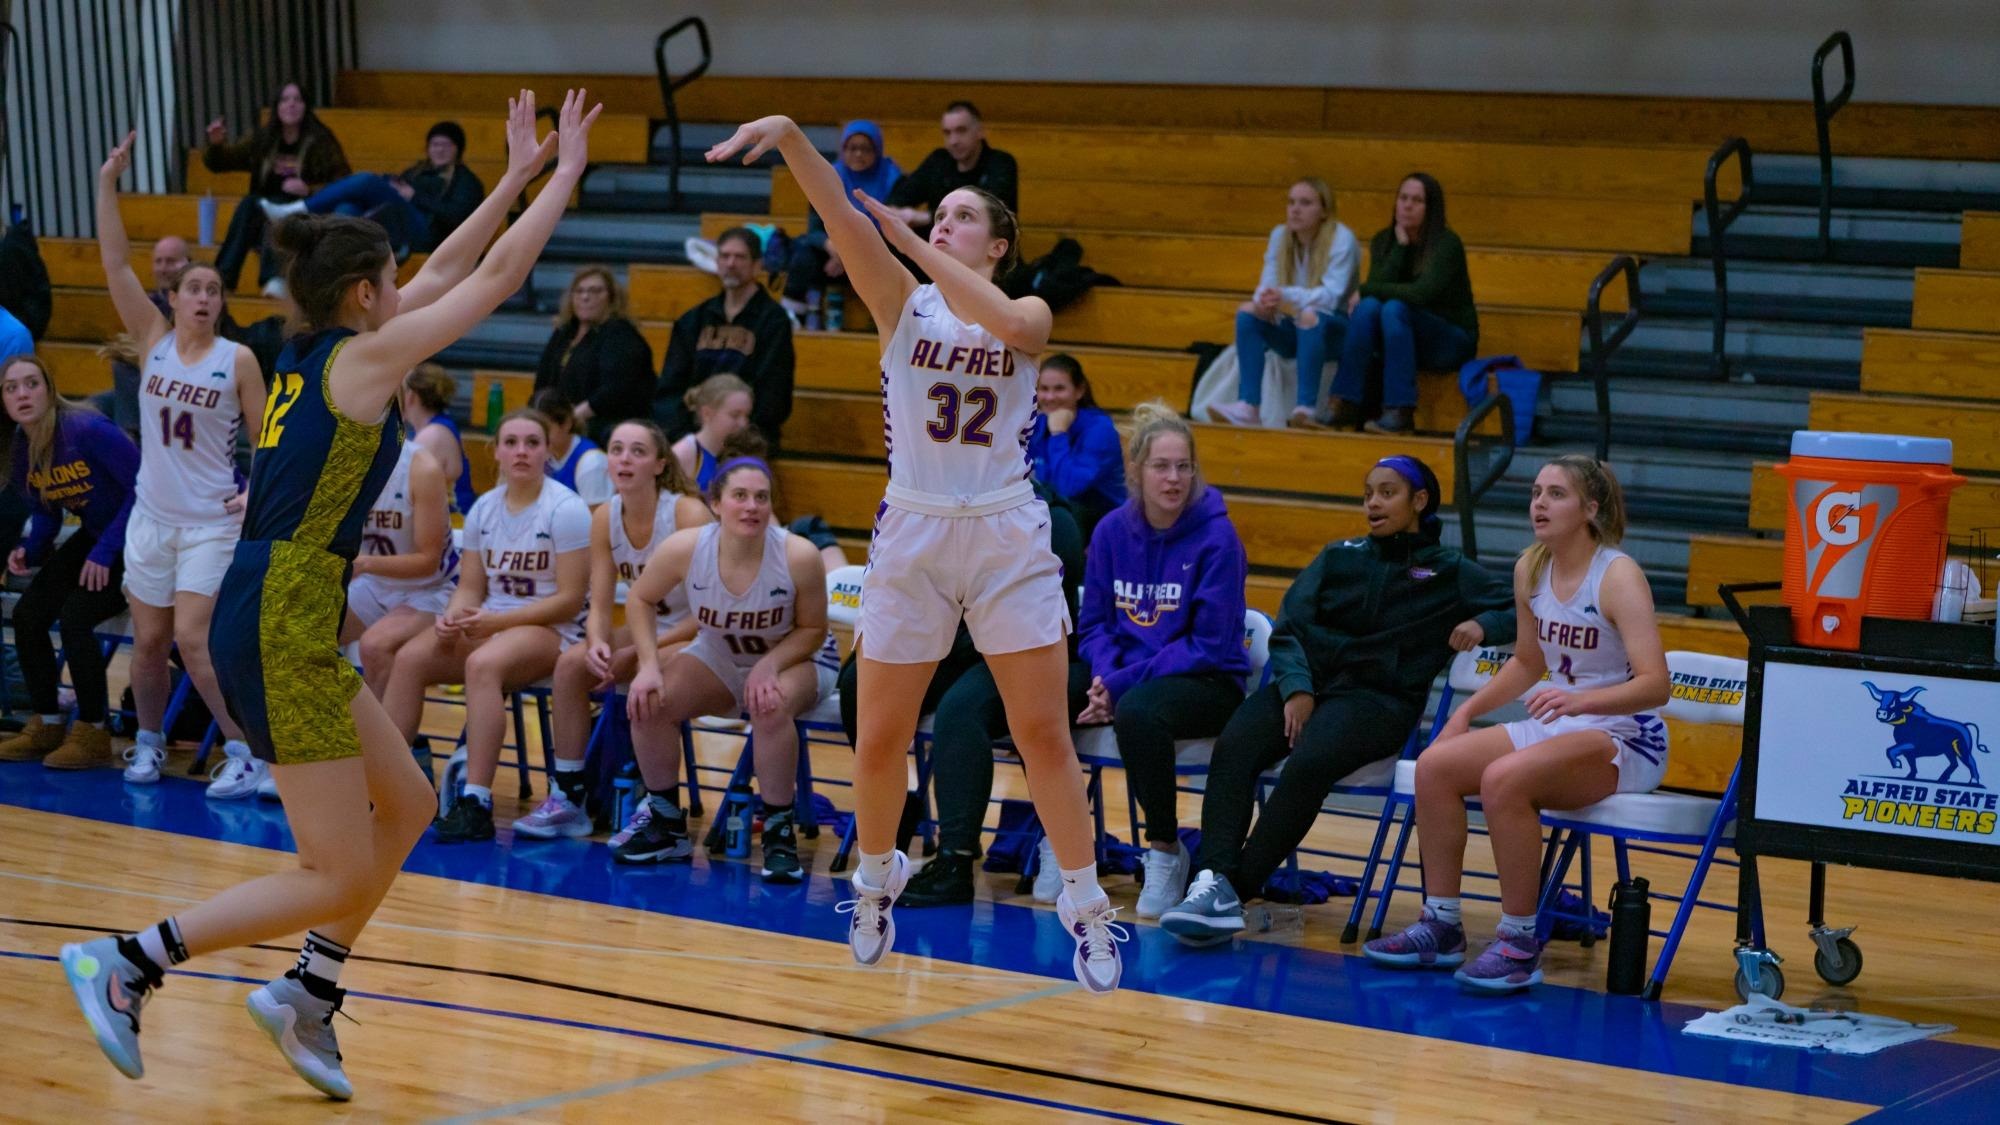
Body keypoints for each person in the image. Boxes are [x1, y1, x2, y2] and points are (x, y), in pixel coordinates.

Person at [60, 89, 600, 1096]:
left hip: (284, 602)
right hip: (282, 607)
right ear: (362, 294)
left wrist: (518, 174)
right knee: (334, 869)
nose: (408, 286)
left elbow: (447, 267)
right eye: (391, 278)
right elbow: (496, 278)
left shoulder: (312, 351)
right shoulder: (362, 360)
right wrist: (564, 176)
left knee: (403, 805)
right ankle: (127, 961)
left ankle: (307, 990)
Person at [708, 114, 1124, 992]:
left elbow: (1012, 321)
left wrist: (908, 240)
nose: (942, 222)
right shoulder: (901, 300)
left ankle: (1086, 905)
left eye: (963, 216)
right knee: (879, 731)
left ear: (1000, 243)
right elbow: (837, 213)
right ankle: (873, 880)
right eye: (937, 214)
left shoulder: (1027, 307)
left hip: (1009, 528)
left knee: (1043, 731)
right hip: (917, 524)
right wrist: (790, 139)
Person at [1161, 455, 1516, 947]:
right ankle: (1211, 878)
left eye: (1387, 492)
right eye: (1368, 492)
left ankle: (1231, 893)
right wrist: (1298, 688)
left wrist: (1484, 625)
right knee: (1237, 742)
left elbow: (1522, 606)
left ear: (1420, 501)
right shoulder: (1339, 556)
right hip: (1309, 687)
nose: (1373, 502)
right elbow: (1289, 629)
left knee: (1309, 763)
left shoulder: (1450, 572)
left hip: (1379, 701)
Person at [1363, 455, 1667, 993]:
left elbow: (1656, 684)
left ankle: (1519, 941)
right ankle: (1443, 923)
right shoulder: (1531, 566)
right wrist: (1466, 711)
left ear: (1589, 510)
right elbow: (1529, 662)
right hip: (1561, 722)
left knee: (1505, 779)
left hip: (1623, 735)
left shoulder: (1617, 575)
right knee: (1435, 767)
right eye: (1535, 493)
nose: (1539, 504)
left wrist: (1583, 704)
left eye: (1556, 494)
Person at [92, 142, 270, 801]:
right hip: (152, 517)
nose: (203, 296)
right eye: (193, 287)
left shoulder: (239, 359)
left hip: (209, 523)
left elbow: (266, 443)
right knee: (149, 641)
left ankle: (245, 750)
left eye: (213, 290)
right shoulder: (152, 340)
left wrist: (253, 495)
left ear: (221, 304)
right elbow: (114, 261)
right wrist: (108, 182)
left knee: (195, 639)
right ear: (172, 296)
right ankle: (146, 743)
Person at [622, 458, 835, 883]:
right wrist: (648, 665)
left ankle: (778, 833)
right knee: (648, 701)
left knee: (770, 705)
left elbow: (813, 630)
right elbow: (639, 600)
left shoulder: (798, 554)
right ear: (716, 503)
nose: (751, 506)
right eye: (740, 496)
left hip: (798, 659)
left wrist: (770, 665)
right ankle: (666, 825)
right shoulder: (686, 548)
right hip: (720, 655)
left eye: (761, 497)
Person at [382, 410, 591, 844]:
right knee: (410, 658)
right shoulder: (483, 509)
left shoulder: (566, 509)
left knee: (482, 664)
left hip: (554, 630)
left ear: (547, 453)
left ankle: (475, 800)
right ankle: (389, 788)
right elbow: (471, 587)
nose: (521, 451)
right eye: (511, 442)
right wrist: (452, 617)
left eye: (532, 443)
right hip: (494, 622)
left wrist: (496, 621)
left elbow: (570, 599)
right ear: (494, 451)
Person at [1073, 405, 1249, 917]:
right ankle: (1063, 844)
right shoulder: (1109, 531)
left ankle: (1166, 849)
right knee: (1046, 693)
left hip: (1208, 680)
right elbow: (1095, 625)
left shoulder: (1218, 538)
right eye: (1161, 466)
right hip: (1126, 676)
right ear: (1135, 471)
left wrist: (1119, 685)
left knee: (1140, 712)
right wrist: (1104, 677)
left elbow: (1209, 645)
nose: (1174, 478)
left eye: (1183, 466)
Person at [883, 484, 1090, 908]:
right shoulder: (937, 506)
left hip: (1036, 652)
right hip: (962, 644)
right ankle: (895, 818)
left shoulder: (1050, 517)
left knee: (962, 709)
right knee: (862, 686)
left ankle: (956, 858)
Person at [515, 419, 711, 840]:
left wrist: (642, 653)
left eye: (638, 451)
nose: (624, 458)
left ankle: (655, 801)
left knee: (650, 678)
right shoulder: (605, 515)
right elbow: (600, 603)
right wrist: (597, 643)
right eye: (617, 449)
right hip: (648, 629)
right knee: (571, 665)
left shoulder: (686, 513)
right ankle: (568, 795)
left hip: (696, 633)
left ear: (659, 465)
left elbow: (710, 612)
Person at [0, 355, 137, 771]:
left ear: (49, 389)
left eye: (31, 384)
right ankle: (47, 721)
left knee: (77, 619)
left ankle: (94, 730)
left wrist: (105, 551)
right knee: (28, 615)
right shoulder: (24, 445)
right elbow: (46, 508)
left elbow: (143, 489)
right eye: (11, 388)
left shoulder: (87, 430)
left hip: (140, 538)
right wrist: (33, 548)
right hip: (97, 535)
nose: (23, 394)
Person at [1330, 173, 1479, 435]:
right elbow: (1374, 296)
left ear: (1431, 209)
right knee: (1369, 309)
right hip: (1400, 337)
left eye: (1417, 200)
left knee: (1393, 308)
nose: (1407, 205)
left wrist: (1363, 289)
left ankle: (1400, 410)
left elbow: (1421, 294)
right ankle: (1344, 402)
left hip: (1450, 339)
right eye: (1403, 198)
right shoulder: (1384, 240)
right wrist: (1400, 247)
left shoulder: (1447, 244)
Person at [1209, 179, 1360, 430]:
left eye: (1305, 203)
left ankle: (1306, 406)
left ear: (1324, 210)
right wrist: (1265, 300)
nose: (1295, 209)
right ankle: (1248, 405)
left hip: (1336, 331)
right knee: (1248, 312)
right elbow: (1266, 284)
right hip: (1297, 324)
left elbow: (1332, 296)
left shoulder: (1342, 238)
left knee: (1310, 314)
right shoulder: (1280, 235)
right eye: (1291, 203)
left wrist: (1285, 295)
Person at [202, 82, 351, 296]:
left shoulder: (321, 140)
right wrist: (215, 145)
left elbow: (343, 183)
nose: (291, 104)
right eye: (285, 99)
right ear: (277, 106)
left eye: (297, 99)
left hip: (308, 215)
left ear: (305, 106)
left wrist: (309, 190)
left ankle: (275, 279)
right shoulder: (264, 139)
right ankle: (223, 278)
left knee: (277, 206)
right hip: (264, 210)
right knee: (248, 204)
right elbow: (219, 164)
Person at [653, 228, 795, 450]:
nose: (731, 263)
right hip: (692, 433)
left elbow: (774, 396)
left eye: (739, 257)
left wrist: (735, 431)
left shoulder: (774, 322)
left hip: (746, 438)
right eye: (725, 256)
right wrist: (684, 436)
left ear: (757, 265)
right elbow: (670, 388)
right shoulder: (692, 320)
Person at [341, 439, 458, 701]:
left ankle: (379, 740)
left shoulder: (422, 468)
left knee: (375, 646)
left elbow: (428, 561)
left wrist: (365, 563)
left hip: (432, 590)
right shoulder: (341, 460)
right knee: (304, 628)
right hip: (375, 584)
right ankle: (326, 726)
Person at [259, 121, 484, 255]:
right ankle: (334, 261)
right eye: (435, 144)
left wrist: (414, 197)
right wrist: (393, 186)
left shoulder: (466, 181)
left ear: (458, 149)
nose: (440, 150)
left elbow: (458, 215)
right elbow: (401, 189)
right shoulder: (416, 171)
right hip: (398, 222)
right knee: (348, 209)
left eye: (446, 145)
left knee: (365, 180)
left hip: (427, 234)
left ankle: (300, 208)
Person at [781, 121, 902, 325]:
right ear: (843, 149)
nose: (858, 154)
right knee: (805, 255)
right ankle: (791, 318)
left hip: (875, 253)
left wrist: (848, 252)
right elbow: (814, 230)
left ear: (878, 150)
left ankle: (890, 321)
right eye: (852, 148)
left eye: (865, 148)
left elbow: (890, 229)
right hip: (834, 256)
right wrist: (834, 248)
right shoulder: (828, 177)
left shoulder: (892, 179)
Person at [534, 266, 655, 443]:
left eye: (595, 291)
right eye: (579, 291)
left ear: (611, 297)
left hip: (603, 426)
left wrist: (572, 419)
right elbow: (543, 379)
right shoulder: (564, 332)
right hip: (562, 422)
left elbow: (615, 390)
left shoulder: (622, 335)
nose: (585, 297)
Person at [1026, 353, 1125, 542]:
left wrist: (1058, 434)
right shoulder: (1037, 424)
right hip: (1059, 514)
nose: (1050, 397)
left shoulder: (1100, 429)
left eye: (1059, 389)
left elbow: (1067, 487)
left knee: (1061, 518)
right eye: (1044, 389)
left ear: (1079, 391)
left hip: (1102, 520)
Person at [885, 101, 1019, 226]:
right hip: (940, 246)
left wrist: (927, 217)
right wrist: (898, 212)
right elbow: (899, 199)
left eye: (961, 131)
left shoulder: (1001, 163)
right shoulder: (939, 160)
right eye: (947, 133)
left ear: (980, 132)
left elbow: (988, 214)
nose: (953, 141)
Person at [400, 363, 475, 514]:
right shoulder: (437, 428)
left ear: (410, 396)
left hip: (453, 523)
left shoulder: (432, 435)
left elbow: (408, 495)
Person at [671, 373, 753, 492]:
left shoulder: (737, 453)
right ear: (707, 413)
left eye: (747, 416)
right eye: (735, 415)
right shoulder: (684, 452)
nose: (743, 424)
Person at [530, 387, 611, 505]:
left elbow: (597, 522)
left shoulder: (591, 463)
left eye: (545, 430)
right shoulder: (539, 455)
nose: (538, 438)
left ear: (567, 423)